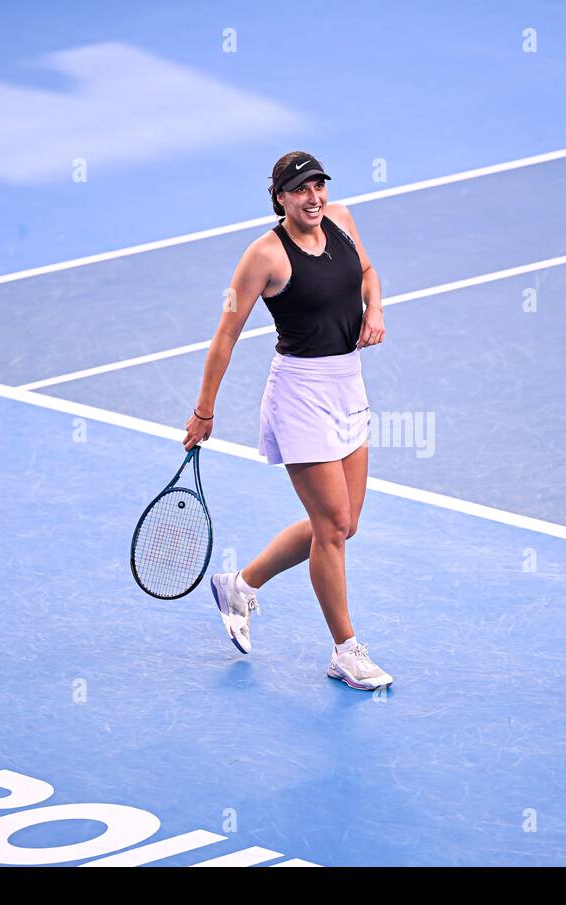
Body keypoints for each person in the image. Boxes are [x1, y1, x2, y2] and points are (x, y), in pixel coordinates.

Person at [182, 151, 392, 691]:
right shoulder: (265, 256)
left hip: (349, 383)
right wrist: (205, 411)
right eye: (301, 190)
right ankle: (346, 651)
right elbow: (224, 337)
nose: (314, 197)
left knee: (345, 524)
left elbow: (367, 271)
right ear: (280, 198)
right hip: (300, 394)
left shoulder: (342, 220)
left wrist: (375, 309)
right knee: (330, 529)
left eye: (318, 185)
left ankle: (240, 585)